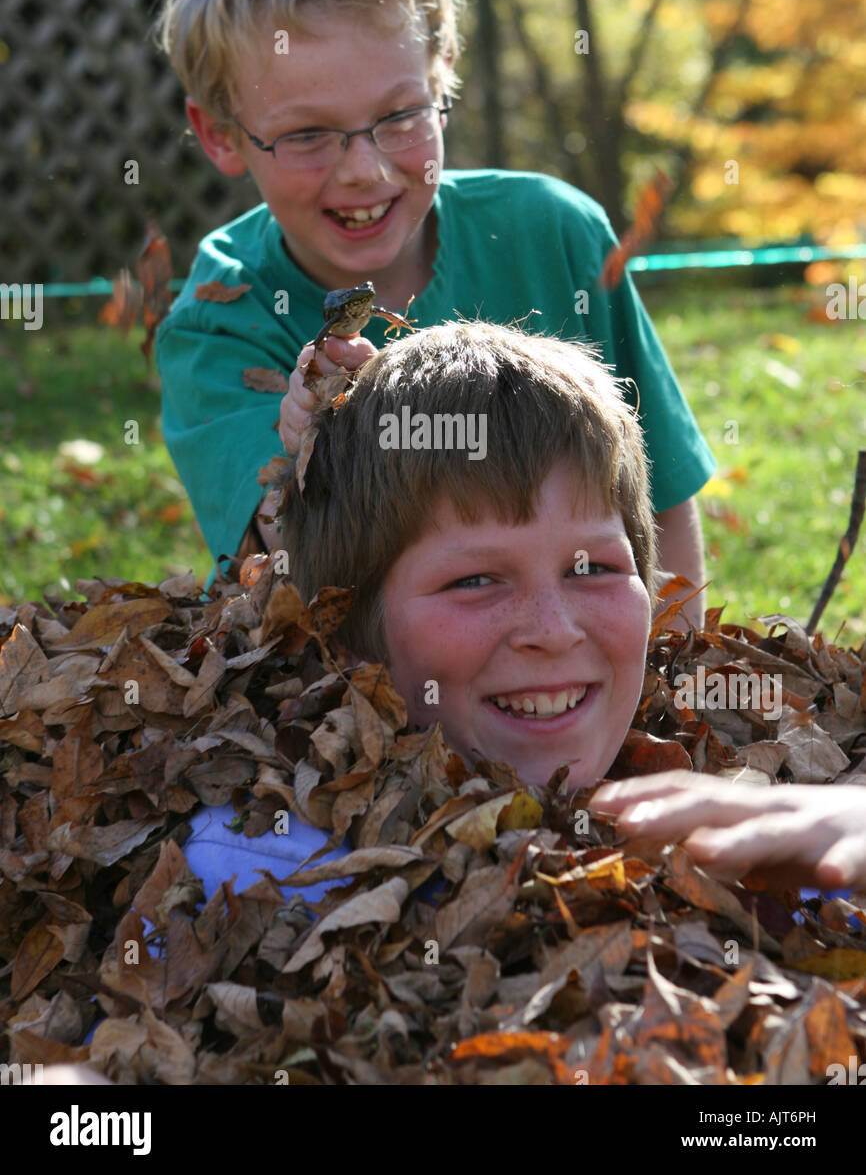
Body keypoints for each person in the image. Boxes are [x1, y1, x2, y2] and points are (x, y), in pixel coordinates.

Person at [153, 0, 714, 620]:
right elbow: (278, 582)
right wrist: (303, 460)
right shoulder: (219, 322)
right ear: (220, 135)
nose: (364, 168)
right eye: (310, 133)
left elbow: (664, 501)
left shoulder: (555, 234)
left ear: (442, 74)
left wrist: (666, 677)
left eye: (399, 116)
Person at [182, 321, 866, 905]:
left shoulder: (781, 839)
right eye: (475, 580)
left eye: (594, 569)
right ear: (343, 630)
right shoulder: (265, 879)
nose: (553, 630)